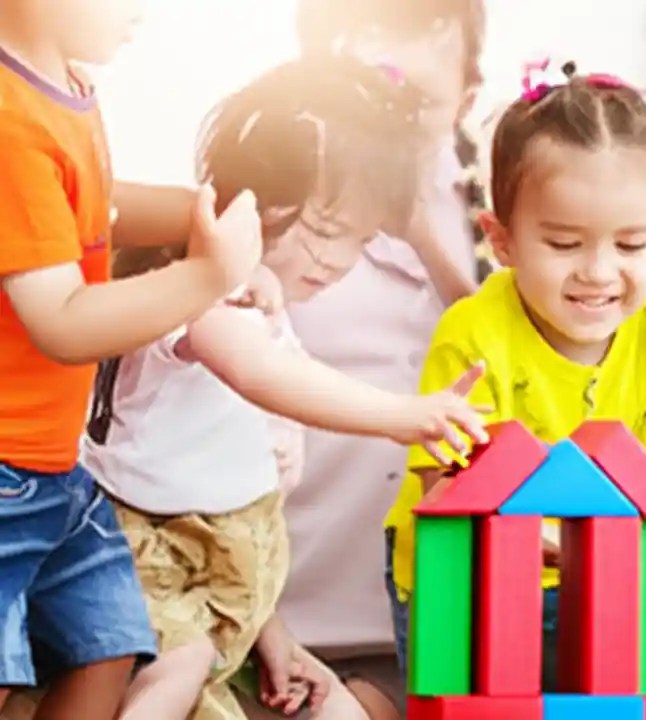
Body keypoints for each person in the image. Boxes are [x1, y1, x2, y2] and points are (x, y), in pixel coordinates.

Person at [77, 56, 491, 720]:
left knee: (337, 709)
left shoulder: (267, 308)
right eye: (324, 230)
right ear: (244, 197)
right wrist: (403, 415)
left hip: (227, 584)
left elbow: (232, 522)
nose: (336, 258)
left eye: (358, 240)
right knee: (179, 667)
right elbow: (262, 376)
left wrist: (271, 630)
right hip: (140, 563)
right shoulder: (203, 286)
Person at [383, 63, 646, 719]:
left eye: (632, 244)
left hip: (605, 577)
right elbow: (448, 499)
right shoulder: (474, 334)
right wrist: (561, 542)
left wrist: (627, 570)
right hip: (468, 583)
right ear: (502, 241)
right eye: (565, 243)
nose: (599, 272)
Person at [0, 1, 265, 717]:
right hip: (4, 472)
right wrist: (204, 277)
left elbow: (93, 206)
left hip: (53, 472)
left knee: (107, 645)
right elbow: (61, 321)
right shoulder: (8, 121)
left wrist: (194, 218)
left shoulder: (63, 84)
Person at [244, 3, 489, 717]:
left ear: (465, 100)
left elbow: (519, 347)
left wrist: (414, 225)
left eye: (414, 110)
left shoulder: (499, 202)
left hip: (436, 625)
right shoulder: (284, 209)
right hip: (287, 618)